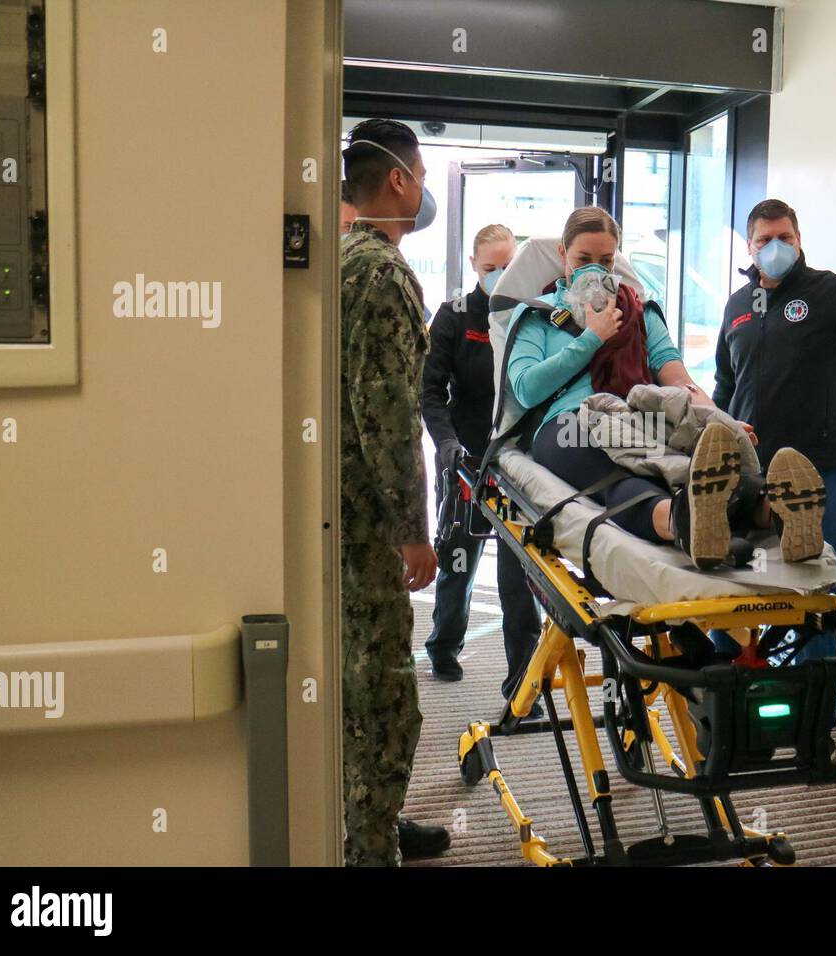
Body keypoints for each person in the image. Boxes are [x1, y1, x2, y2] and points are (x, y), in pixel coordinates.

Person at [507, 206, 828, 569]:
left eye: (606, 260)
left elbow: (680, 381)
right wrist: (592, 339)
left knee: (689, 461)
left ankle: (770, 509)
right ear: (562, 254)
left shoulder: (640, 313)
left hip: (638, 415)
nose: (595, 270)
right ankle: (684, 521)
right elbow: (526, 389)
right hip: (569, 424)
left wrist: (720, 418)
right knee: (618, 475)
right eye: (583, 258)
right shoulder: (538, 314)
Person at [712, 199, 836, 659]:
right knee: (730, 574)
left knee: (811, 582)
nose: (775, 247)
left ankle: (813, 709)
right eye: (765, 240)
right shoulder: (738, 305)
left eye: (785, 238)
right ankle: (728, 680)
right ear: (749, 246)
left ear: (799, 242)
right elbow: (725, 384)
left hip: (817, 468)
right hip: (748, 467)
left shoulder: (829, 292)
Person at [339, 117, 449, 865]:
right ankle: (371, 849)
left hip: (329, 513)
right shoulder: (383, 274)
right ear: (401, 181)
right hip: (365, 524)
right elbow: (387, 416)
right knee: (385, 702)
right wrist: (414, 529)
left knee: (352, 683)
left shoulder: (336, 260)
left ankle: (374, 823)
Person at [421, 224, 544, 710]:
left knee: (521, 577)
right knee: (457, 561)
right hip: (465, 459)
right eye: (490, 268)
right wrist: (447, 445)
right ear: (474, 266)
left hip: (519, 462)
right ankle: (443, 647)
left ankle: (522, 683)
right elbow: (430, 393)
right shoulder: (454, 318)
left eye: (506, 267)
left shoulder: (531, 315)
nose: (499, 276)